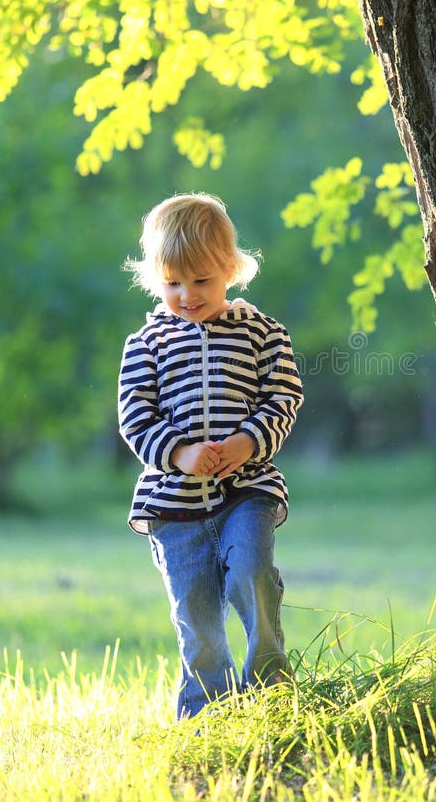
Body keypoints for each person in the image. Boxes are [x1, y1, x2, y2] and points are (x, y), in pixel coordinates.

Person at [118, 192, 303, 719]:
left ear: (230, 269)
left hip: (246, 492)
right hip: (172, 505)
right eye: (172, 282)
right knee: (197, 621)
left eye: (201, 280)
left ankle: (271, 692)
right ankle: (207, 719)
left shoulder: (263, 333)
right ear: (155, 277)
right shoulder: (146, 343)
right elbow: (135, 416)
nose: (188, 294)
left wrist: (247, 442)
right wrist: (179, 453)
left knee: (251, 573)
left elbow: (283, 397)